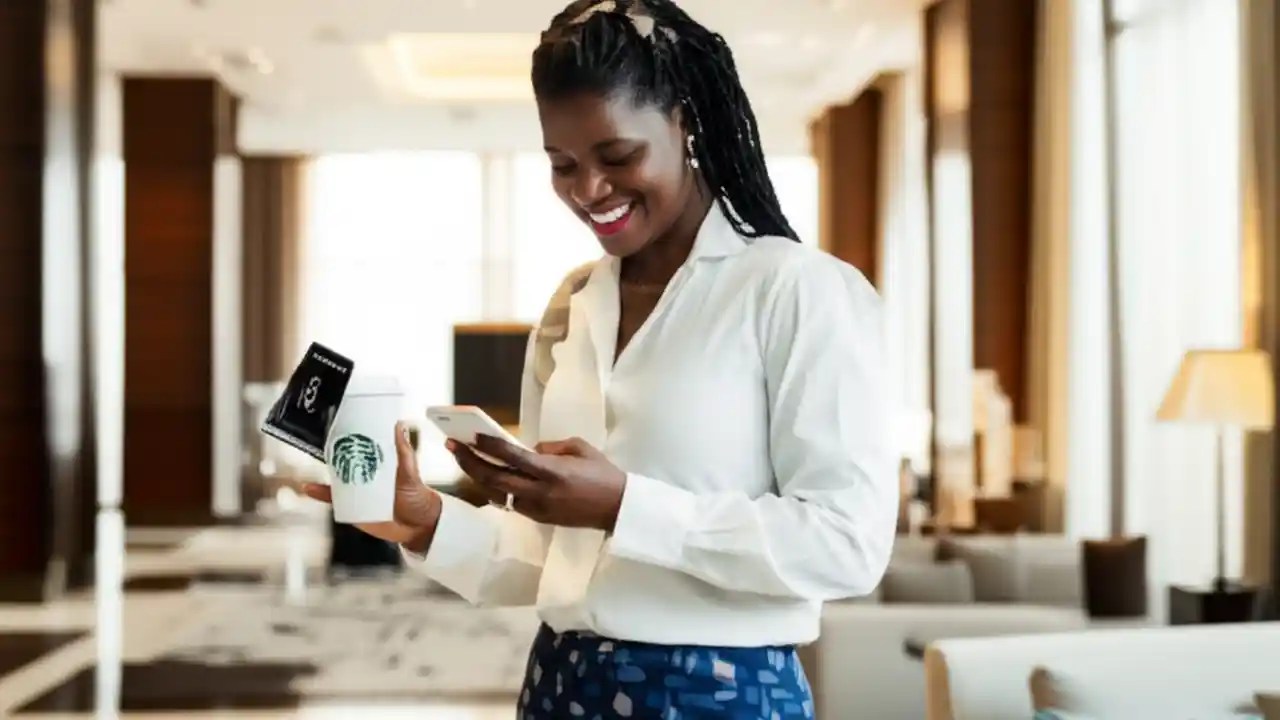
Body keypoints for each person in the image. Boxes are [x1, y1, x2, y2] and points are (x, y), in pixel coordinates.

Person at [303, 0, 897, 716]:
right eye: (563, 165)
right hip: (561, 681)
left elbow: (846, 545)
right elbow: (544, 561)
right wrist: (423, 518)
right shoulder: (572, 305)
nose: (589, 190)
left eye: (618, 156)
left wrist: (625, 504)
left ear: (686, 122)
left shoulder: (796, 290)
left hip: (718, 693)